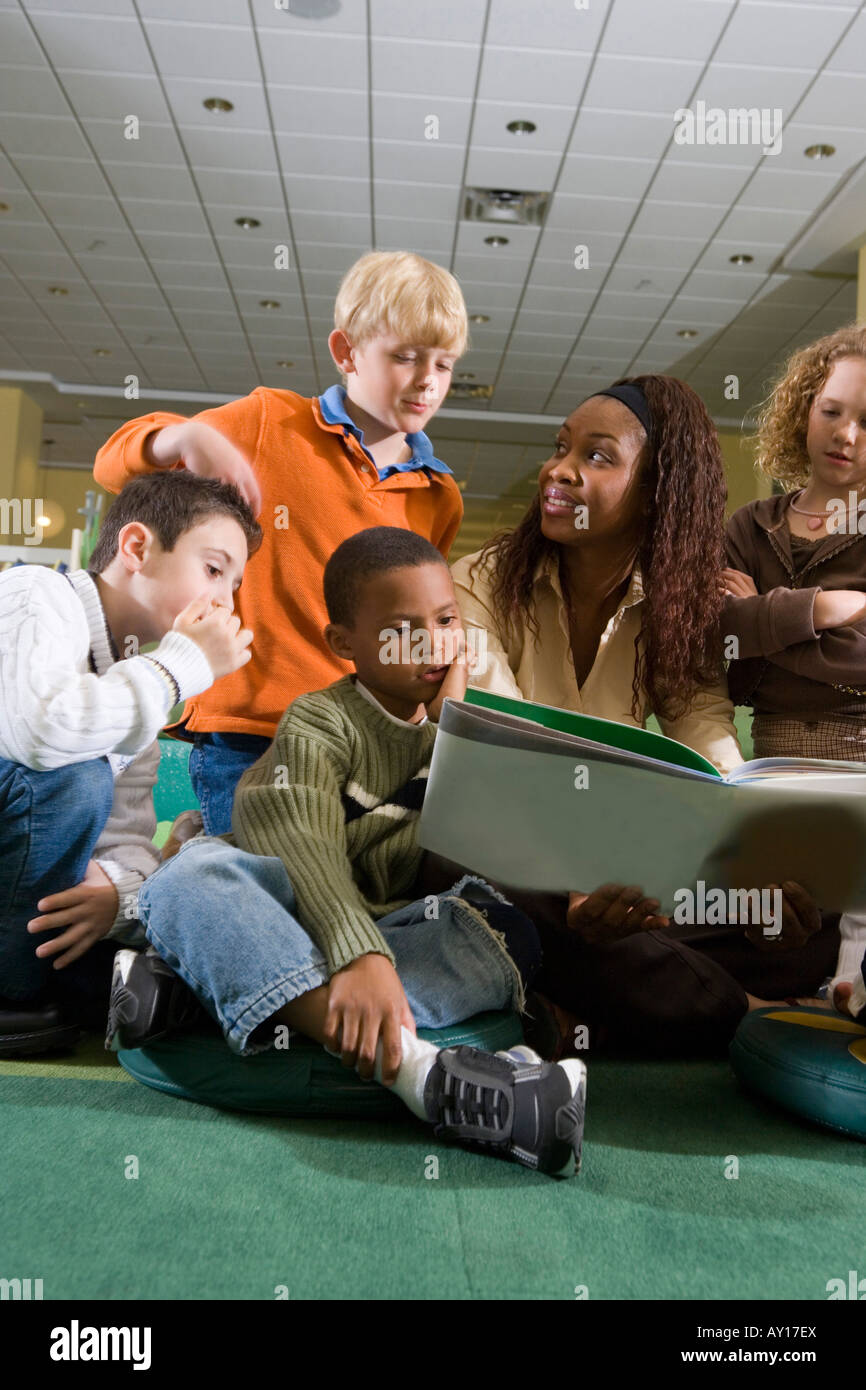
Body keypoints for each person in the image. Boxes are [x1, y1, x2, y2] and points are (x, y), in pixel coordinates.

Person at [108, 529, 587, 1177]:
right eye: (400, 629)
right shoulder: (320, 719)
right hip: (285, 908)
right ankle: (426, 1078)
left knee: (507, 934)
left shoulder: (467, 727)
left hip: (390, 934)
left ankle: (197, 985)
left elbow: (497, 848)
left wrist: (454, 738)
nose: (433, 643)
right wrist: (356, 955)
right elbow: (301, 841)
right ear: (344, 645)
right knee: (187, 877)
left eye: (446, 620)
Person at [419, 375, 834, 1057]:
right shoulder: (476, 583)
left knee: (809, 915)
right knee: (484, 888)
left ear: (657, 493)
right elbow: (502, 751)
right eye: (562, 448)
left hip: (605, 872)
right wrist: (585, 868)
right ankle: (741, 1013)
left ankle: (584, 996)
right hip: (504, 846)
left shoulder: (674, 612)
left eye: (597, 456)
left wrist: (752, 849)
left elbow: (705, 731)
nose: (559, 470)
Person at [93, 251, 468, 834]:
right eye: (405, 357)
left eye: (444, 365)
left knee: (352, 896)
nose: (427, 381)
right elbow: (112, 462)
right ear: (346, 352)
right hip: (252, 733)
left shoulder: (439, 495)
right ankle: (181, 872)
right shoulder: (271, 421)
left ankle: (186, 859)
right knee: (269, 895)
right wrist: (187, 436)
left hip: (367, 741)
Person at [0, 471, 260, 1056]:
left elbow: (129, 843)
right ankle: (12, 994)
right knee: (77, 776)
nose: (225, 601)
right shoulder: (34, 594)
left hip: (21, 904)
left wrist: (114, 895)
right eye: (214, 570)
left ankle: (54, 992)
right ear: (137, 548)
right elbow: (43, 734)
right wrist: (180, 666)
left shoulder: (133, 685)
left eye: (235, 585)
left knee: (127, 970)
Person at [723, 324, 866, 1008]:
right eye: (831, 410)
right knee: (761, 925)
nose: (846, 434)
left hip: (860, 766)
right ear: (802, 408)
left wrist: (768, 622)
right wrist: (829, 608)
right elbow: (718, 638)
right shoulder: (747, 527)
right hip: (772, 768)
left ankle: (848, 985)